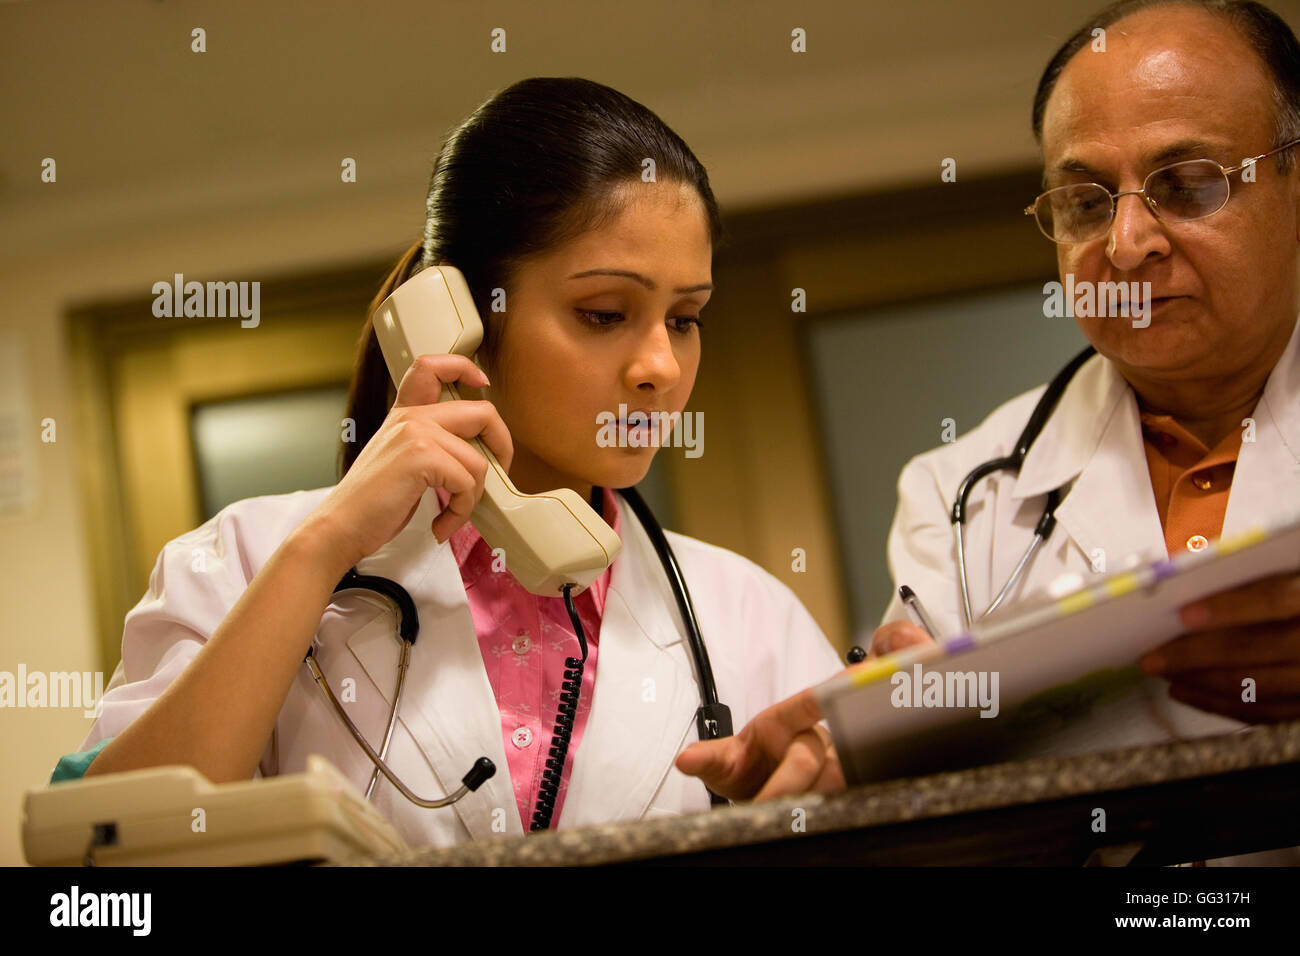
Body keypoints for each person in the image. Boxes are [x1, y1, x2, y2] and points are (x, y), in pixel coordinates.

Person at [50, 77, 843, 850]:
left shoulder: (748, 618)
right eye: (604, 313)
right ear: (462, 316)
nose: (661, 367)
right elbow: (98, 867)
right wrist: (322, 549)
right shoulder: (247, 562)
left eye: (686, 318)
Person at [678, 0, 1300, 821]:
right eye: (1084, 202)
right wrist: (881, 755)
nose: (1126, 244)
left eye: (1186, 186)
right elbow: (945, 790)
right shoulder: (962, 493)